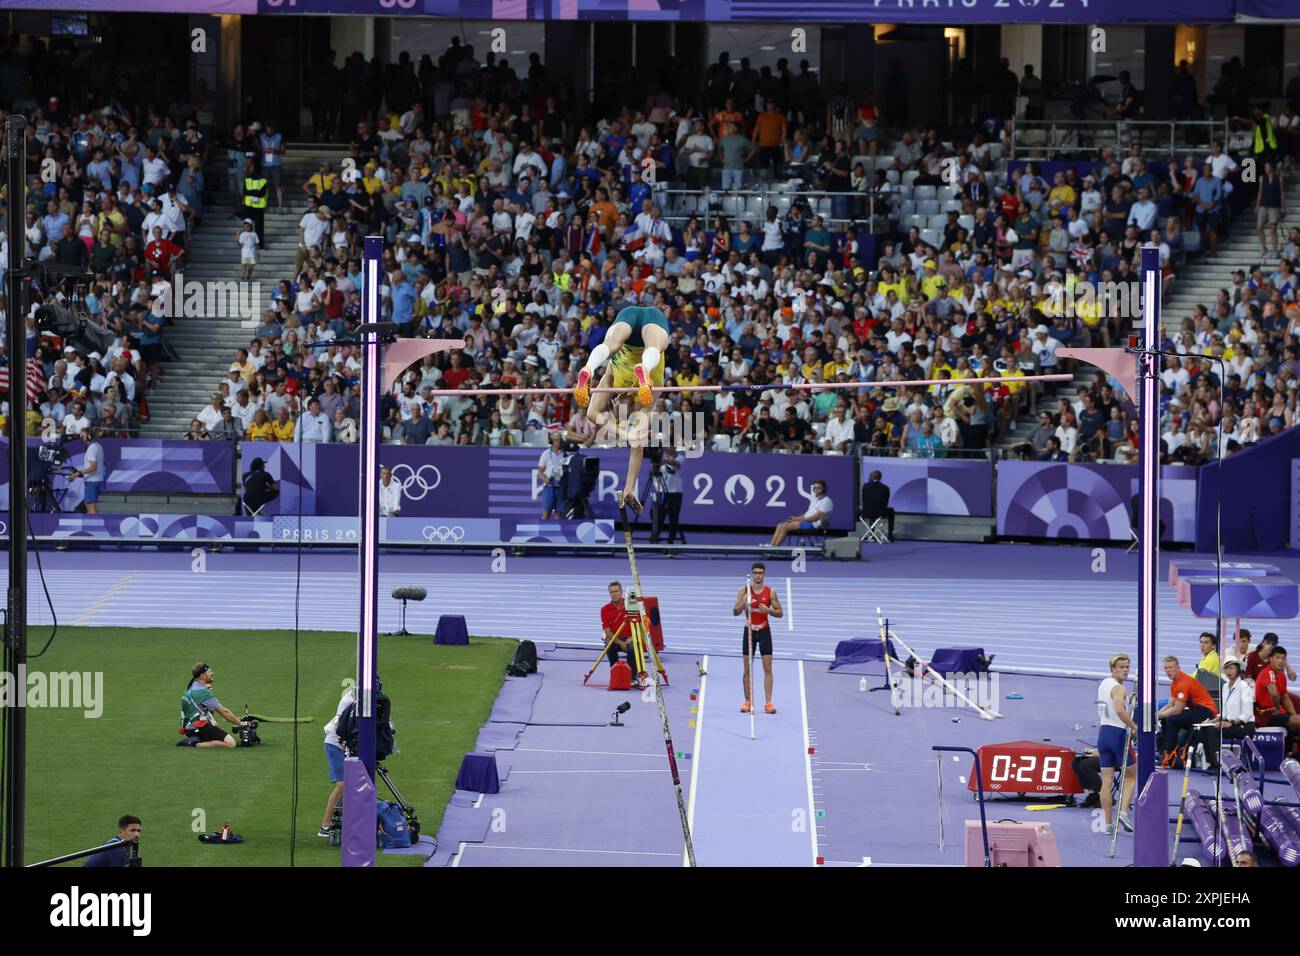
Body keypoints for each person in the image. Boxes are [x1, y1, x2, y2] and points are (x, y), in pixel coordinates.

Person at [572, 304, 671, 511]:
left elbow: (592, 414)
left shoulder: (615, 383)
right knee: (653, 347)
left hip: (630, 318)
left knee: (612, 344)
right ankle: (597, 367)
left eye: (617, 412)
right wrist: (629, 488)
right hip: (652, 322)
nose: (620, 411)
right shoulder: (644, 403)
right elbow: (637, 446)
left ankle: (590, 367)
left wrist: (623, 433)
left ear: (614, 401)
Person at [733, 562, 784, 714]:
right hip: (748, 632)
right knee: (747, 668)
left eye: (760, 572)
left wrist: (768, 610)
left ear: (764, 574)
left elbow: (780, 613)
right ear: (752, 573)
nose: (757, 575)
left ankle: (768, 703)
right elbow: (735, 612)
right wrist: (743, 604)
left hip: (764, 632)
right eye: (755, 572)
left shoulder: (770, 592)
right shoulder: (743, 591)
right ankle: (747, 701)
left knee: (767, 668)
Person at [1096, 653, 1137, 835]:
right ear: (1112, 668)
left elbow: (1115, 705)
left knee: (1106, 781)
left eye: (1127, 667)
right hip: (1118, 734)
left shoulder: (1105, 684)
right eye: (1121, 667)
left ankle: (1108, 824)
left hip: (1103, 734)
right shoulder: (1119, 689)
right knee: (1131, 775)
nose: (1125, 671)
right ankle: (1123, 812)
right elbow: (1120, 710)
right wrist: (1134, 727)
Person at [1157, 655, 1218, 762]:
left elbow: (1177, 709)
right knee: (1165, 718)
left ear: (1178, 667)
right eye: (1166, 668)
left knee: (1172, 719)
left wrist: (1157, 715)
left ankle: (1170, 754)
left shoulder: (1183, 682)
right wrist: (1158, 714)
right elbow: (1170, 705)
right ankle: (1165, 751)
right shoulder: (1174, 683)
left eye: (1171, 667)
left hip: (1207, 712)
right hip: (1197, 710)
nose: (1168, 670)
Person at [178, 662, 247, 748]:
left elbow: (204, 708)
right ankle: (193, 743)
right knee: (231, 744)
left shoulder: (192, 687)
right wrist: (241, 723)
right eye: (210, 672)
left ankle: (196, 739)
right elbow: (224, 713)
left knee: (214, 729)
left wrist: (205, 687)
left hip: (189, 728)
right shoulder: (204, 693)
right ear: (203, 676)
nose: (213, 673)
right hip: (199, 728)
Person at [1202, 657, 1255, 769]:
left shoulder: (1244, 687)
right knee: (1205, 729)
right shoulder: (1225, 687)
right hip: (1231, 723)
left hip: (1244, 726)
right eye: (1226, 669)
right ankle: (1211, 762)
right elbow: (1224, 714)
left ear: (1238, 669)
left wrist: (1231, 723)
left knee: (1213, 731)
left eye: (1231, 668)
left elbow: (1247, 714)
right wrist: (1209, 722)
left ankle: (1218, 764)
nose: (1228, 671)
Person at [318, 685, 355, 838]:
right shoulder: (348, 699)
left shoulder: (369, 699)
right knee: (343, 784)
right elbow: (340, 724)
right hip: (335, 745)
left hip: (349, 745)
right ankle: (325, 826)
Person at [600, 581, 643, 688]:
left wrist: (632, 637)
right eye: (612, 592)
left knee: (634, 646)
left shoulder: (631, 605)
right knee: (608, 644)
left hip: (630, 636)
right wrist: (620, 642)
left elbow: (639, 624)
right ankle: (614, 674)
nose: (614, 594)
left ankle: (633, 677)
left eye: (616, 591)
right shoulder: (604, 609)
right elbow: (607, 631)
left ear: (621, 592)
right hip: (615, 638)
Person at [769, 478, 832, 547]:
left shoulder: (826, 501)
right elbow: (806, 514)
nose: (816, 490)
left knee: (785, 526)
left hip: (813, 525)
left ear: (823, 489)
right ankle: (771, 545)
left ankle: (775, 548)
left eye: (818, 488)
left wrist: (797, 519)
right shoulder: (814, 499)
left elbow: (815, 518)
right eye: (814, 488)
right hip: (806, 522)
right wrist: (796, 518)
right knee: (780, 525)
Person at [1255, 646, 1300, 734]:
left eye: (1283, 658)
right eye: (1277, 658)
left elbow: (1285, 698)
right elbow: (1274, 693)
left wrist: (1294, 716)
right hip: (1266, 714)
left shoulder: (1281, 676)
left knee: (1296, 723)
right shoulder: (1268, 672)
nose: (1280, 661)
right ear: (1270, 659)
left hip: (1277, 713)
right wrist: (1278, 707)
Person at [649, 445, 685, 546]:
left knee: (673, 518)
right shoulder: (660, 458)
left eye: (669, 446)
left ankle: (670, 541)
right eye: (666, 446)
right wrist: (656, 465)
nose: (667, 448)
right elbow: (653, 473)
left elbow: (677, 463)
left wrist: (665, 461)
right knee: (657, 517)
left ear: (674, 447)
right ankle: (654, 539)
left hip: (675, 492)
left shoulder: (680, 457)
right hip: (660, 492)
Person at [69, 428, 105, 515]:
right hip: (94, 480)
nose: (81, 438)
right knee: (89, 506)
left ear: (89, 436)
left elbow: (93, 467)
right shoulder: (97, 445)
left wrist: (77, 474)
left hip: (92, 481)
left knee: (91, 509)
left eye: (83, 435)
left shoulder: (92, 448)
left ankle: (93, 528)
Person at [536, 431, 565, 519]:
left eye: (560, 440)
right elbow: (540, 471)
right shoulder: (546, 454)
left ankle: (558, 531)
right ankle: (543, 531)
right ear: (552, 441)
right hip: (549, 486)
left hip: (561, 486)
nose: (558, 442)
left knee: (559, 513)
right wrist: (545, 479)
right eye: (556, 440)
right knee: (546, 511)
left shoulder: (565, 453)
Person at [860, 469, 894, 540]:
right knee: (891, 511)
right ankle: (890, 534)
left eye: (870, 475)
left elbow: (863, 499)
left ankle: (871, 533)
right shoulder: (885, 488)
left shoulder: (865, 486)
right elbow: (885, 502)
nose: (868, 477)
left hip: (866, 512)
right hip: (880, 512)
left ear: (872, 477)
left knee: (870, 508)